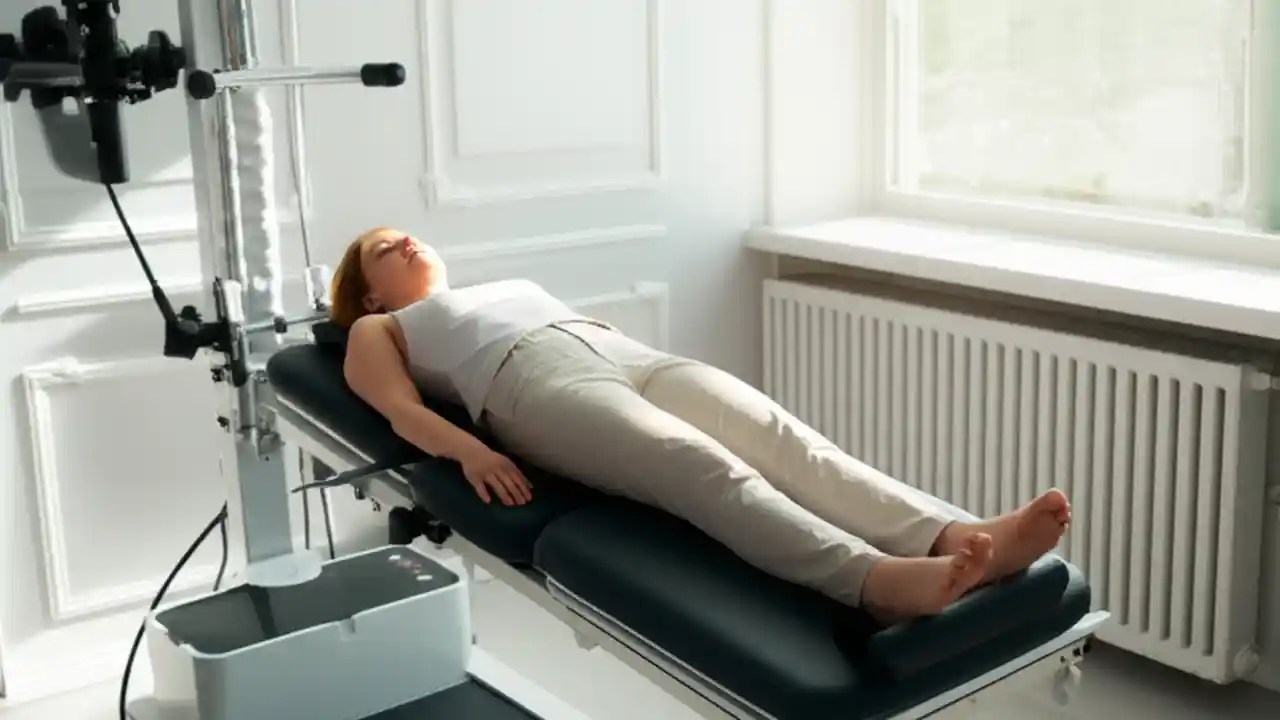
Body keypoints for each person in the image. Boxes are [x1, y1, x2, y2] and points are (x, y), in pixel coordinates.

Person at [331, 227, 1072, 624]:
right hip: (530, 385)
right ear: (368, 295)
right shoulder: (384, 328)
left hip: (621, 351)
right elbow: (401, 410)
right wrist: (468, 452)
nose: (403, 242)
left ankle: (952, 534)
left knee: (781, 435)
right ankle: (873, 582)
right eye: (380, 249)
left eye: (403, 235)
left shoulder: (497, 283)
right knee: (696, 461)